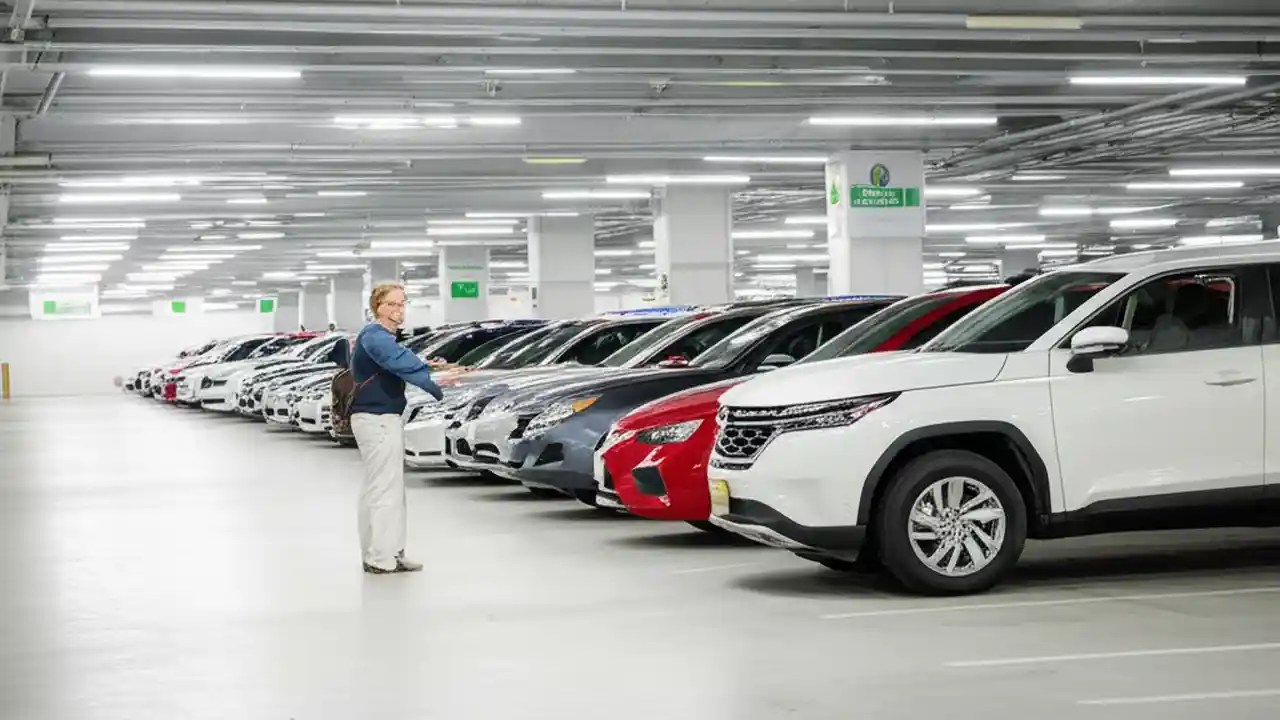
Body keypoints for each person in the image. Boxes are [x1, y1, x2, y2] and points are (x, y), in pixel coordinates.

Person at [349, 282, 445, 574]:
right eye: (391, 304)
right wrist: (434, 381)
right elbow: (397, 361)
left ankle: (387, 551)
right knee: (384, 490)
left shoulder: (380, 336)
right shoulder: (375, 335)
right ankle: (381, 557)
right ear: (377, 306)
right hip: (377, 420)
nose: (398, 309)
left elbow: (398, 361)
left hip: (379, 418)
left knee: (384, 488)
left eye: (402, 303)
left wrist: (432, 367)